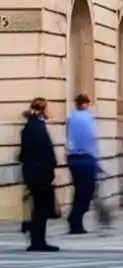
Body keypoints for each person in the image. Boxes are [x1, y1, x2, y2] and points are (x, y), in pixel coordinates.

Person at [18, 98, 58, 252]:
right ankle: (38, 240)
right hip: (40, 173)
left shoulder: (29, 127)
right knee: (42, 207)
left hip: (33, 172)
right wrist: (51, 169)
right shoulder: (38, 127)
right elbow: (45, 152)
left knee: (38, 207)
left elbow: (23, 154)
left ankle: (36, 236)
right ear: (43, 109)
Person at [65, 93, 98, 235]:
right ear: (86, 104)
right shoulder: (88, 118)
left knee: (79, 190)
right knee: (86, 191)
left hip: (73, 158)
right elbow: (91, 137)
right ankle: (75, 219)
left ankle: (75, 219)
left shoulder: (70, 117)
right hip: (86, 158)